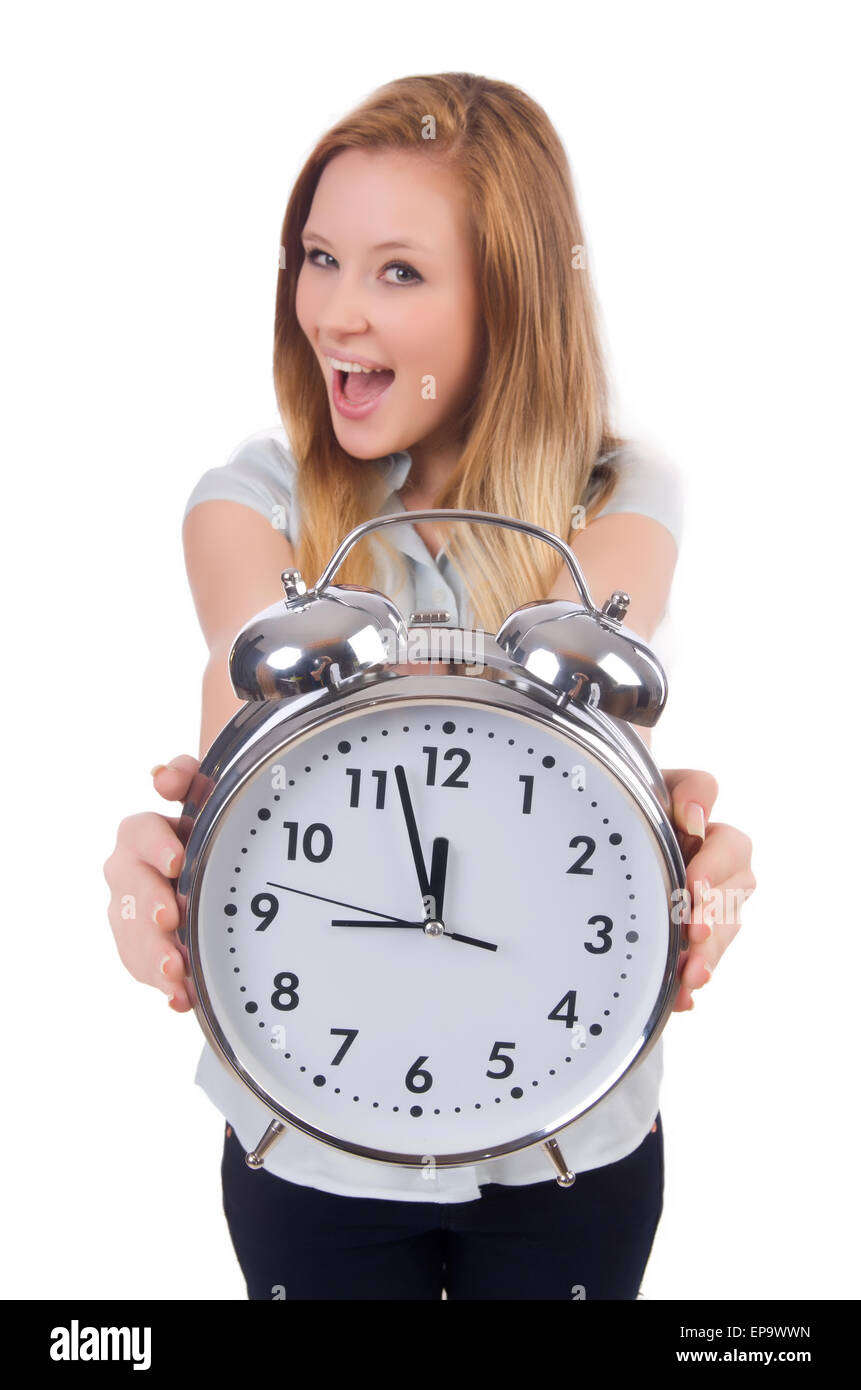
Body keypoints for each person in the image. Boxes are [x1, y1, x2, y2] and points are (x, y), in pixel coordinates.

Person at [103, 72, 755, 1301]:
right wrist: (177, 874)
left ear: (506, 297)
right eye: (319, 258)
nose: (335, 314)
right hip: (306, 1123)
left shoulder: (619, 494)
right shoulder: (253, 501)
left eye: (398, 272)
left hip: (573, 1128)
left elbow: (566, 746)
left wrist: (680, 853)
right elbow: (248, 742)